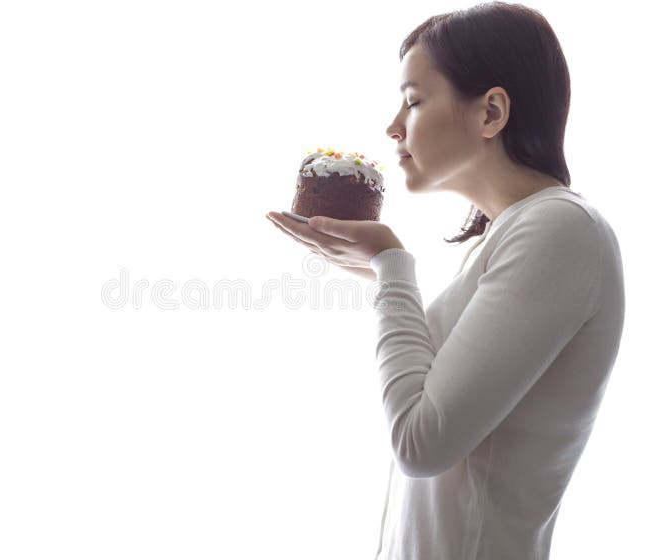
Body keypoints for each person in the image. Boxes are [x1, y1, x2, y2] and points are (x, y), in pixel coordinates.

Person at [265, 2, 625, 559]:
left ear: (491, 113)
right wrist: (380, 275)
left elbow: (421, 442)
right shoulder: (506, 240)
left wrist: (390, 264)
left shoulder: (561, 228)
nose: (393, 125)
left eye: (412, 101)